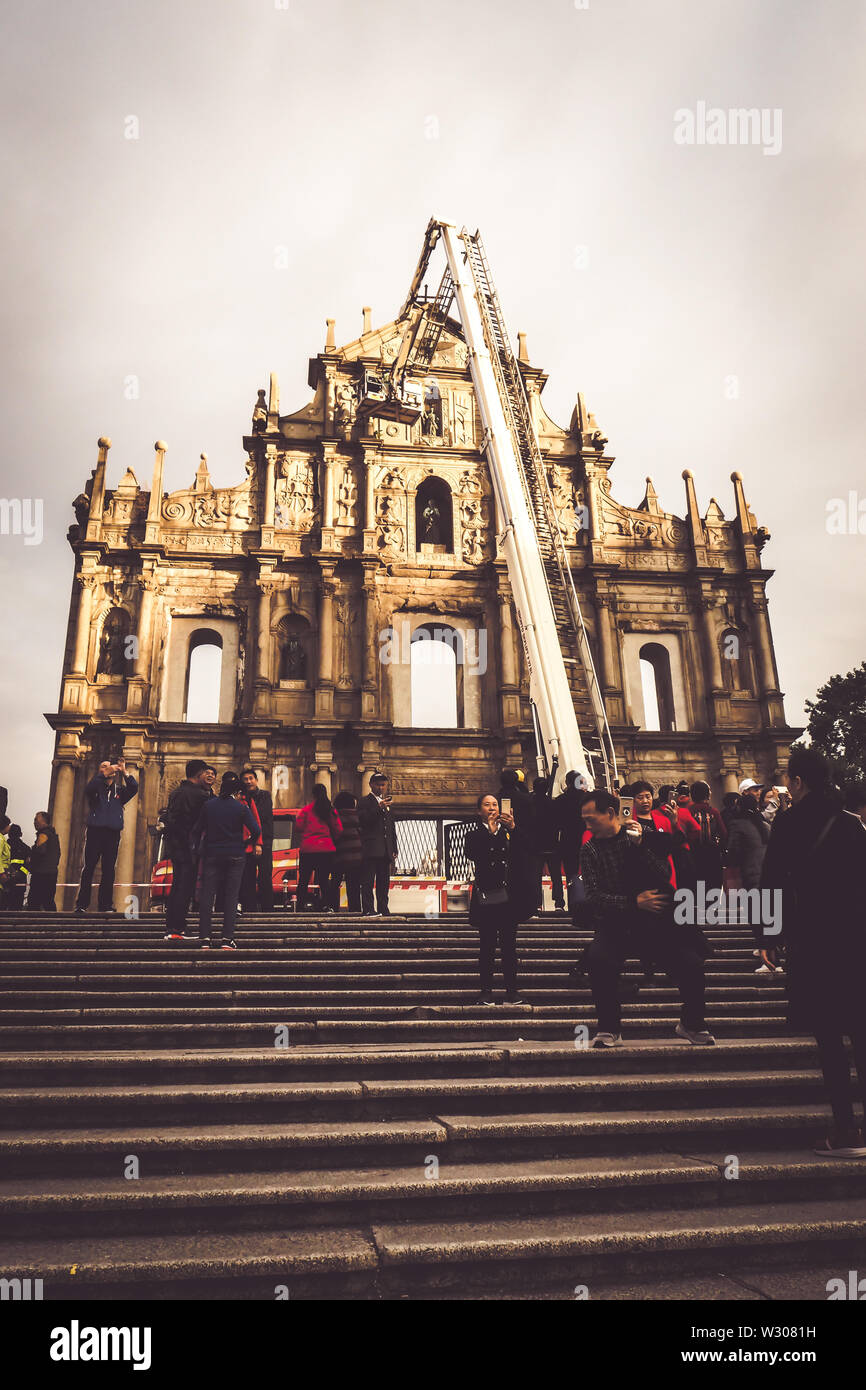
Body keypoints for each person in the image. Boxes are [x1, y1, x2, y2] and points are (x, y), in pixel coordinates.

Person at [761, 748, 866, 1157]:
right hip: (857, 943)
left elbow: (770, 883)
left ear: (799, 782)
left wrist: (768, 936)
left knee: (829, 1039)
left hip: (814, 944)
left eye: (789, 778)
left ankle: (844, 1130)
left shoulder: (789, 824)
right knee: (862, 1033)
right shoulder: (852, 826)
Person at [579, 789, 713, 1048]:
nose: (587, 825)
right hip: (616, 922)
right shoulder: (590, 849)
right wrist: (633, 902)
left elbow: (664, 871)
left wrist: (641, 846)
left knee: (692, 964)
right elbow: (594, 897)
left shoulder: (641, 836)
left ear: (610, 814)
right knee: (599, 960)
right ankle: (609, 1028)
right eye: (584, 819)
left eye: (591, 818)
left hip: (654, 921)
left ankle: (692, 1023)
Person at [465, 792, 533, 1004]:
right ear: (479, 811)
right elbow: (473, 854)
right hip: (486, 896)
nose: (492, 808)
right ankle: (486, 991)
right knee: (486, 946)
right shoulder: (474, 835)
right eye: (487, 805)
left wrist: (512, 827)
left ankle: (511, 991)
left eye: (495, 804)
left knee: (508, 946)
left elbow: (527, 850)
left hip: (508, 898)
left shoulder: (510, 832)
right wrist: (491, 835)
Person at [194, 770, 261, 950]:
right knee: (232, 896)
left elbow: (197, 829)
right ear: (237, 793)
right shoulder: (241, 807)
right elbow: (256, 830)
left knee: (208, 895)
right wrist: (245, 841)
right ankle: (227, 939)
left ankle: (205, 939)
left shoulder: (209, 806)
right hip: (235, 854)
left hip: (212, 854)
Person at [75, 757, 138, 914]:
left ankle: (105, 905)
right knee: (88, 868)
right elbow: (88, 790)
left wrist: (124, 771)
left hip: (112, 833)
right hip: (95, 831)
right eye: (104, 767)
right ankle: (82, 904)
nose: (108, 768)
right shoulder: (96, 787)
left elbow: (134, 788)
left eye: (110, 767)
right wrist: (102, 776)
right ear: (99, 772)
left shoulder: (119, 791)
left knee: (109, 869)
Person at [162, 759, 211, 941]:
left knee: (177, 885)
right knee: (185, 886)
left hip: (175, 845)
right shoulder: (200, 795)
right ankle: (178, 927)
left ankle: (172, 925)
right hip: (189, 846)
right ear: (199, 774)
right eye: (205, 773)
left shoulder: (176, 792)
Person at [726, 780, 772, 967]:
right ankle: (771, 955)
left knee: (757, 919)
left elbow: (733, 851)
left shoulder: (738, 824)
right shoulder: (764, 825)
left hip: (752, 876)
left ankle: (768, 962)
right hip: (769, 875)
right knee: (768, 918)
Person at [295, 784, 342, 912]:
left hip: (308, 850)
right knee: (323, 880)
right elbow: (338, 829)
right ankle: (326, 905)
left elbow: (298, 827)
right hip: (326, 850)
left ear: (313, 794)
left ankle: (300, 906)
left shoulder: (306, 810)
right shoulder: (330, 810)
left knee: (304, 880)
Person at [358, 772, 397, 916]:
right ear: (371, 785)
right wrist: (378, 807)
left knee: (383, 882)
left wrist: (394, 848)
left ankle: (383, 908)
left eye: (383, 785)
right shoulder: (364, 802)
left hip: (385, 849)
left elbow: (391, 827)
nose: (381, 788)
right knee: (368, 881)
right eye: (378, 785)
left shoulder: (387, 804)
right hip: (371, 848)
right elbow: (363, 821)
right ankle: (368, 908)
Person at [530, 776, 566, 913]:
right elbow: (559, 824)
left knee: (535, 876)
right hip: (552, 844)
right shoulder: (554, 804)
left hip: (535, 845)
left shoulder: (530, 804)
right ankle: (558, 903)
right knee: (555, 875)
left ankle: (537, 904)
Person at [240, 768, 274, 910]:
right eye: (245, 779)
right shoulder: (241, 798)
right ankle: (250, 909)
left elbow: (262, 817)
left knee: (265, 877)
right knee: (248, 878)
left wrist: (258, 842)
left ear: (256, 780)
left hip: (264, 841)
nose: (248, 781)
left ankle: (268, 910)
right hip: (246, 842)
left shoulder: (265, 796)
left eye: (251, 778)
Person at [685, 780, 727, 893]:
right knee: (712, 884)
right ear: (707, 795)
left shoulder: (688, 811)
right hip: (712, 853)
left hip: (693, 853)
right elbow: (723, 833)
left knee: (696, 884)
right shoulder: (714, 812)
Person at [332, 791, 363, 911]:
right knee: (354, 885)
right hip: (355, 856)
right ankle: (355, 910)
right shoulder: (358, 816)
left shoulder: (334, 817)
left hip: (338, 855)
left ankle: (333, 908)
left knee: (335, 883)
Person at [27, 812, 60, 911]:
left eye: (36, 819)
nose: (34, 822)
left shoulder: (43, 834)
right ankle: (55, 924)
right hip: (52, 874)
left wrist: (30, 861)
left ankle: (31, 925)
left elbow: (40, 851)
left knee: (34, 902)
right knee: (48, 901)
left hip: (40, 874)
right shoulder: (54, 836)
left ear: (44, 821)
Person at [4, 824, 30, 910]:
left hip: (5, 881)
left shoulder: (5, 846)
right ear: (21, 834)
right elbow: (28, 866)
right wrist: (20, 874)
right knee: (16, 910)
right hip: (20, 883)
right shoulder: (26, 849)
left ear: (9, 834)